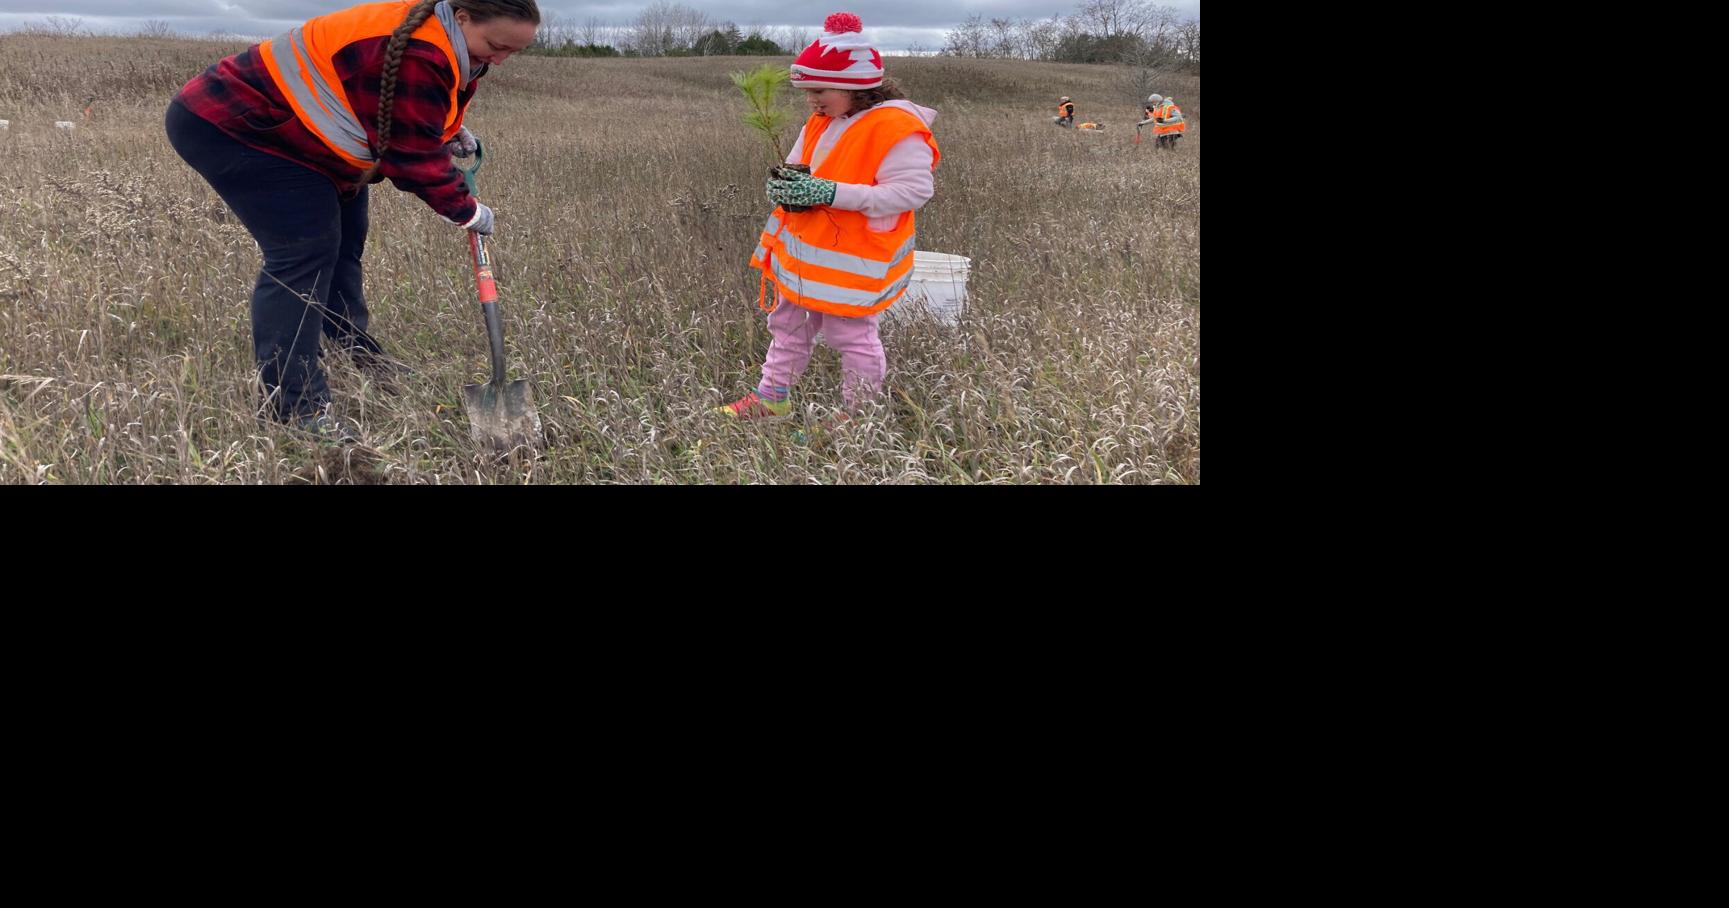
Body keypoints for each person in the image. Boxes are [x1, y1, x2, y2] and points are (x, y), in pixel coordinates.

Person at [165, 0, 539, 437]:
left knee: (345, 240)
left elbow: (387, 102)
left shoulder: (446, 39)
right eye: (495, 46)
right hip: (237, 127)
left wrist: (443, 127)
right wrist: (466, 210)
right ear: (462, 17)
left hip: (305, 136)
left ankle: (351, 350)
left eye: (513, 51)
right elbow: (410, 158)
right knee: (304, 252)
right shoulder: (421, 51)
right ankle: (295, 409)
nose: (500, 59)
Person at [716, 12, 941, 423]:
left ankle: (858, 417)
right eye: (806, 92)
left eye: (819, 90)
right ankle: (772, 400)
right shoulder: (823, 120)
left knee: (850, 336)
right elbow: (800, 163)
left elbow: (914, 192)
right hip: (806, 248)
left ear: (854, 86)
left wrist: (828, 193)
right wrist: (785, 187)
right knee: (788, 324)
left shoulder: (897, 127)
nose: (811, 100)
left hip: (854, 257)